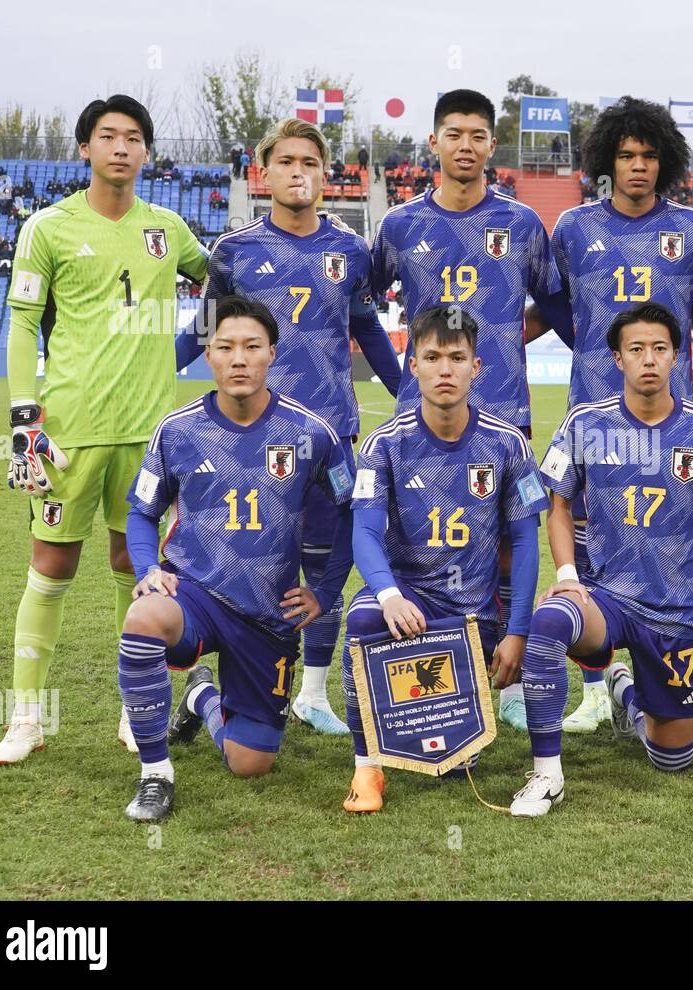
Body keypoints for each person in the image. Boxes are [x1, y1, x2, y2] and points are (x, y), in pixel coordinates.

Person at [0, 95, 210, 766]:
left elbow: (223, 287)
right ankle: (25, 718)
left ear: (147, 152)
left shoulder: (168, 228)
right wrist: (25, 416)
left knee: (131, 565)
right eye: (108, 136)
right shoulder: (48, 228)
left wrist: (177, 353)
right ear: (84, 148)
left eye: (134, 137)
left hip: (148, 437)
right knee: (52, 563)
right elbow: (24, 324)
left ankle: (133, 706)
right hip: (68, 429)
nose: (121, 147)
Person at [523, 95, 693, 733]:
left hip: (676, 419)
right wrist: (485, 344)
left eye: (649, 156)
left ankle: (659, 672)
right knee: (589, 552)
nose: (638, 166)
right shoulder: (572, 228)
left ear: (665, 162)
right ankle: (598, 689)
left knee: (665, 546)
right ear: (607, 162)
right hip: (593, 415)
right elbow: (558, 313)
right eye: (626, 156)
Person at [181, 117, 401, 736]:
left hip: (328, 435)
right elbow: (202, 333)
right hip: (245, 439)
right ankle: (226, 683)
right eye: (285, 161)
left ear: (326, 175)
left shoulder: (351, 252)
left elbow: (366, 330)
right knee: (248, 557)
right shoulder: (234, 252)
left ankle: (312, 691)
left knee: (326, 563)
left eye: (310, 161)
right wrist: (145, 371)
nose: (298, 171)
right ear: (265, 173)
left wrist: (407, 393)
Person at [369, 89, 562, 732]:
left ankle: (502, 671)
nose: (467, 146)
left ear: (490, 146)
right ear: (433, 142)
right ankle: (421, 660)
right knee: (417, 541)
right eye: (454, 133)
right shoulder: (399, 226)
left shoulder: (524, 224)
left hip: (504, 412)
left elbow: (556, 307)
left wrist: (504, 335)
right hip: (417, 417)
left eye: (479, 136)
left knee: (507, 543)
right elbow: (361, 302)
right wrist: (404, 367)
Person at [119, 295, 355, 821]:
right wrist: (148, 571)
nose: (239, 358)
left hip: (269, 614)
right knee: (142, 617)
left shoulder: (312, 434)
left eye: (252, 346)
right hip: (195, 594)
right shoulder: (177, 430)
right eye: (225, 347)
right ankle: (156, 773)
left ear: (273, 352)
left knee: (250, 763)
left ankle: (201, 698)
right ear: (210, 356)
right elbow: (141, 513)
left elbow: (350, 512)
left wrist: (324, 589)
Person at [511, 302, 693, 817]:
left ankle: (624, 693)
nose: (649, 359)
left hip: (674, 607)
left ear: (677, 356)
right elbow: (558, 502)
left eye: (659, 348)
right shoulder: (586, 424)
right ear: (617, 358)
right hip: (606, 598)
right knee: (549, 620)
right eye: (636, 349)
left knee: (671, 757)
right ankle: (547, 774)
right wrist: (568, 576)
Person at [340, 307, 547, 812]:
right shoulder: (383, 445)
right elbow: (364, 531)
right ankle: (366, 769)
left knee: (455, 765)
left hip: (475, 616)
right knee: (362, 616)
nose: (445, 369)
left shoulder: (507, 443)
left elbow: (524, 542)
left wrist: (517, 630)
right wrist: (388, 595)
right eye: (432, 357)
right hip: (407, 607)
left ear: (477, 367)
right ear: (414, 365)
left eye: (457, 357)